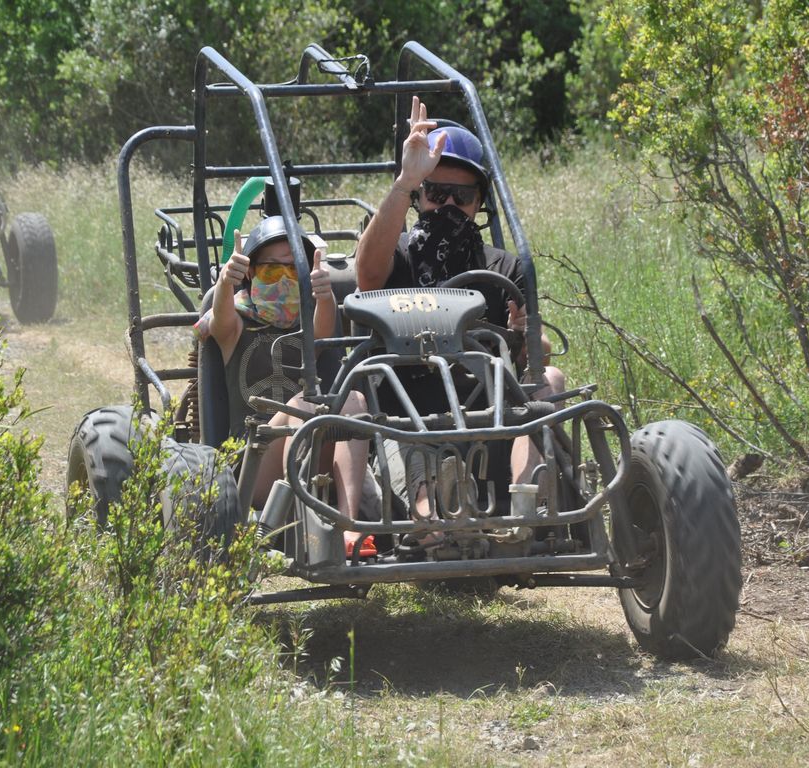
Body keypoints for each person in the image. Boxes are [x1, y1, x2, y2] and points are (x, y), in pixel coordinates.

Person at [356, 96, 565, 542]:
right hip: (405, 417)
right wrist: (405, 180)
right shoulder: (398, 253)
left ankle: (526, 508)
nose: (448, 204)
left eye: (462, 196)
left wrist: (523, 339)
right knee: (416, 460)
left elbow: (534, 356)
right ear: (420, 197)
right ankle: (438, 518)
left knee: (550, 378)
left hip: (487, 416)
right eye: (436, 193)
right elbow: (367, 276)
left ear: (479, 203)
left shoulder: (503, 268)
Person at [199, 215, 374, 558]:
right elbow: (219, 318)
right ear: (251, 272)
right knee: (304, 404)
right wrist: (225, 281)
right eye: (271, 269)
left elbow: (324, 329)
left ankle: (350, 528)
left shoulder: (306, 323)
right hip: (251, 466)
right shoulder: (236, 323)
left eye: (294, 269)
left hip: (308, 451)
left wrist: (324, 295)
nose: (283, 278)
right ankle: (307, 532)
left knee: (353, 400)